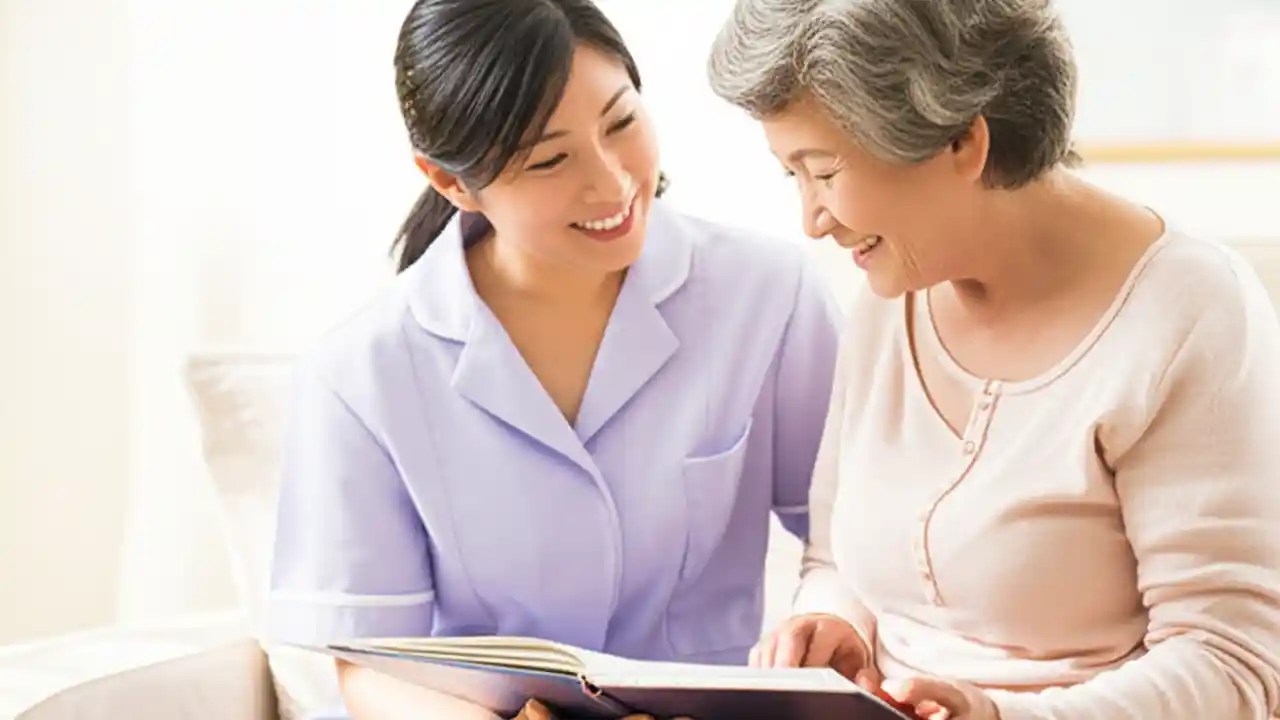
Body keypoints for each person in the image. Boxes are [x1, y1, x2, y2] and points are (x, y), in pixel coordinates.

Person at [265, 0, 843, 718]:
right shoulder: (360, 375)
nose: (612, 183)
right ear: (451, 182)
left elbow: (853, 543)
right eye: (549, 159)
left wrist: (823, 621)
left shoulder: (770, 294)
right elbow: (366, 662)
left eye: (621, 123)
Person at [708, 0, 1280, 718]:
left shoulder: (1188, 314)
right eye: (791, 175)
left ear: (961, 142)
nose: (812, 219)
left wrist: (1002, 715)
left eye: (823, 172)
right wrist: (834, 623)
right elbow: (835, 560)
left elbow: (1232, 664)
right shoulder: (892, 289)